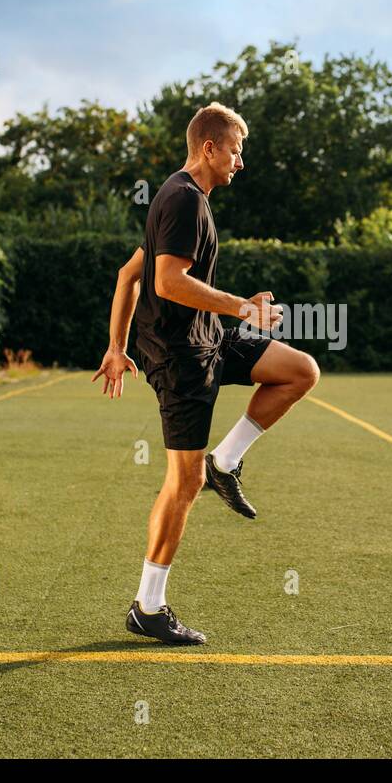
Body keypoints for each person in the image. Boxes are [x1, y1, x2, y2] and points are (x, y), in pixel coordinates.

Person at [93, 102, 320, 644]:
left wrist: (115, 346)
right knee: (183, 482)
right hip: (180, 358)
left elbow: (129, 276)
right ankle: (149, 606)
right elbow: (168, 283)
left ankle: (228, 458)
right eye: (237, 151)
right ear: (211, 148)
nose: (241, 162)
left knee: (299, 371)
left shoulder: (181, 197)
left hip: (209, 339)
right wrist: (244, 306)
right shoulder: (183, 200)